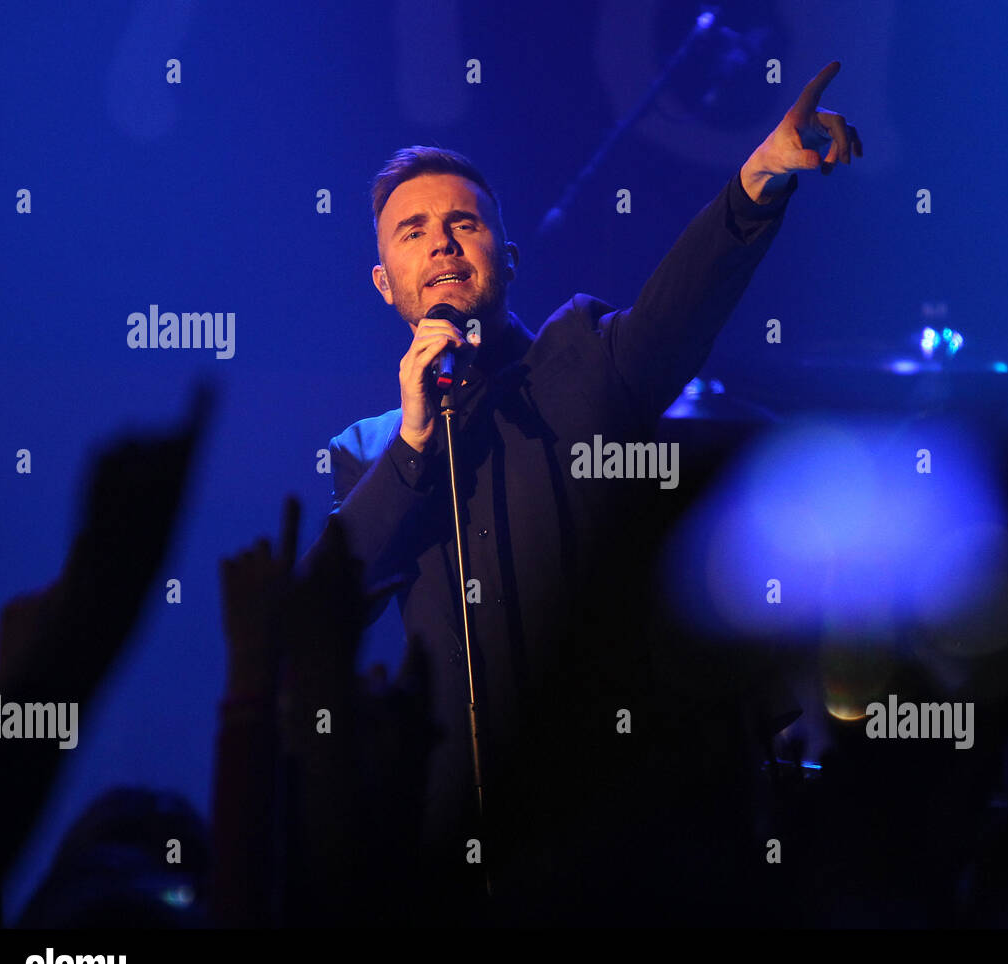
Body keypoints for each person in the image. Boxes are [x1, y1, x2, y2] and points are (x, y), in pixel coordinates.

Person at [300, 62, 863, 920]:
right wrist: (416, 441)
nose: (443, 243)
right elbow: (322, 617)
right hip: (470, 856)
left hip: (633, 843)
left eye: (464, 223)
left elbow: (681, 308)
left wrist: (758, 178)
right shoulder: (372, 448)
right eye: (412, 231)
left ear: (508, 257)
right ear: (385, 282)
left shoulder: (585, 360)